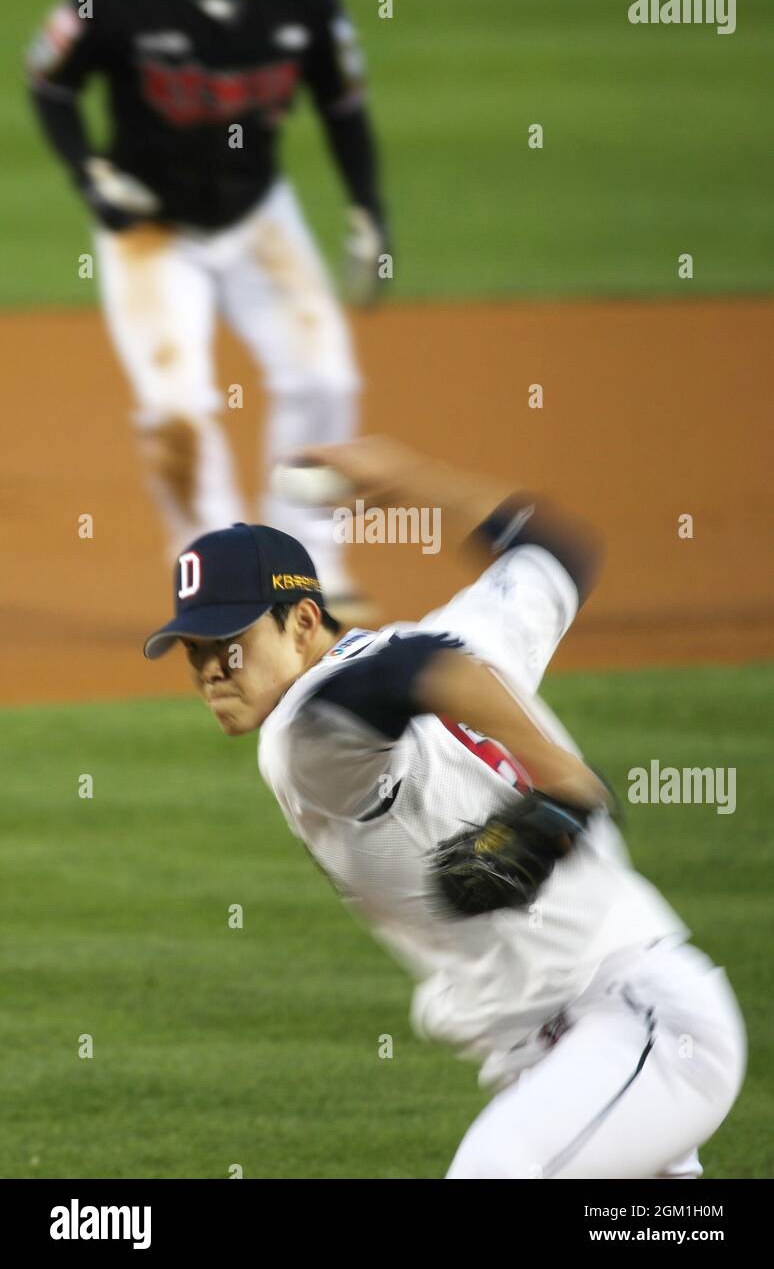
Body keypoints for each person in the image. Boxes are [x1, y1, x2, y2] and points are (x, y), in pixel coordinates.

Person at [143, 436, 746, 1178]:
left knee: (497, 1168)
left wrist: (563, 779)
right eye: (193, 647)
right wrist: (412, 479)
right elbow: (553, 551)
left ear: (301, 622)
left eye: (229, 642)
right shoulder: (464, 634)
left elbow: (402, 677)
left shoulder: (303, 734)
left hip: (632, 1019)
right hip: (579, 1058)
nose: (210, 669)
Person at [27, 0, 387, 618]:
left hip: (258, 217)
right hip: (150, 227)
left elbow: (343, 106)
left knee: (325, 380)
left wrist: (367, 206)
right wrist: (89, 174)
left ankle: (308, 565)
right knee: (173, 407)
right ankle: (216, 576)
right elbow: (50, 82)